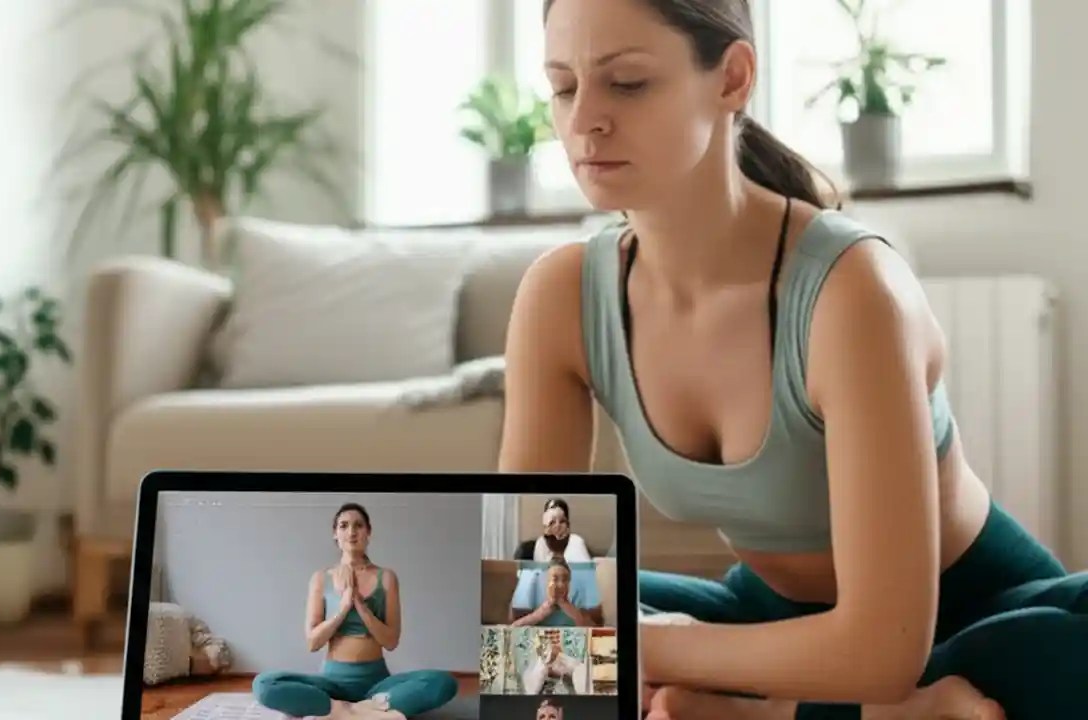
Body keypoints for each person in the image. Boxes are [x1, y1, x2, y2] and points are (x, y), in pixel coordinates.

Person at [499, 0, 1088, 718]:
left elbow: (882, 648)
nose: (584, 118)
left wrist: (627, 650)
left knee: (1062, 652)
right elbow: (531, 596)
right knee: (518, 611)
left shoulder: (850, 291)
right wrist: (597, 637)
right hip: (774, 623)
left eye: (627, 83)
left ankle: (760, 711)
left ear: (733, 78)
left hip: (968, 615)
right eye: (563, 87)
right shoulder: (560, 296)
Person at [252, 503, 458, 719]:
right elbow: (313, 642)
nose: (351, 532)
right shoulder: (321, 578)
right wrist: (343, 608)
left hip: (377, 684)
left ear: (368, 533)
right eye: (343, 526)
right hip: (331, 685)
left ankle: (344, 712)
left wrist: (359, 603)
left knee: (443, 682)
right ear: (335, 534)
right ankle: (360, 712)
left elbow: (390, 641)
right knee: (264, 685)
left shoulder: (386, 577)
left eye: (358, 525)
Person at [511, 556, 603, 628]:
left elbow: (595, 630)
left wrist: (570, 610)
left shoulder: (577, 606)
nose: (561, 584)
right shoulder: (536, 604)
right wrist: (539, 614)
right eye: (555, 579)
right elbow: (513, 628)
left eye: (565, 580)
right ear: (546, 582)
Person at [515, 498, 594, 562]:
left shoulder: (576, 541)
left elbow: (585, 572)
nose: (557, 526)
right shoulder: (541, 543)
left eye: (562, 521)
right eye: (552, 522)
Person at [521, 629, 589, 695]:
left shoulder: (574, 665)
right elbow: (531, 690)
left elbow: (583, 687)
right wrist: (544, 663)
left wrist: (562, 659)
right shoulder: (530, 671)